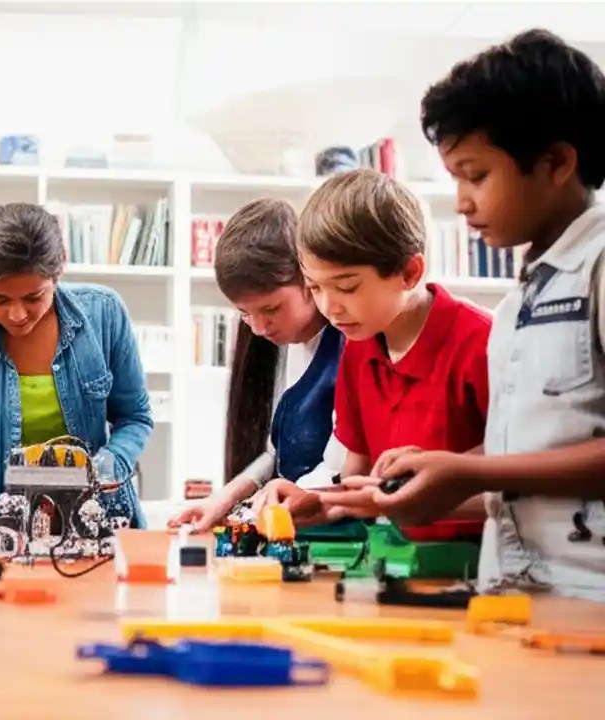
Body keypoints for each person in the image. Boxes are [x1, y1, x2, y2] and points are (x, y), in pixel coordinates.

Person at [371, 29, 605, 600]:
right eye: (455, 178)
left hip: (588, 597)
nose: (461, 201)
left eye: (476, 175)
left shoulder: (598, 267)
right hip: (516, 593)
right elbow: (527, 463)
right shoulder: (518, 301)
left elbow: (502, 471)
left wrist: (470, 472)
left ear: (555, 162)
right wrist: (435, 477)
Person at [271, 168, 492, 530]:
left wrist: (422, 501)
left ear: (410, 273)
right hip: (388, 554)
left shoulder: (481, 344)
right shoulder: (357, 349)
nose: (329, 307)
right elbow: (357, 478)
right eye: (314, 288)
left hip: (474, 558)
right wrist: (315, 500)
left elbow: (521, 479)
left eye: (347, 287)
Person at [0, 203, 153, 527]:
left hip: (99, 517)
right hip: (3, 522)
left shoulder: (104, 314)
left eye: (34, 297)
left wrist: (103, 468)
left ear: (58, 272)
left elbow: (135, 417)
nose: (17, 314)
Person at [170, 199, 344, 532]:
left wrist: (288, 496)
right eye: (245, 314)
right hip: (291, 525)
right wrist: (223, 499)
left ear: (309, 279)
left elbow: (342, 468)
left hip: (332, 530)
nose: (260, 328)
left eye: (271, 309)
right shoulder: (283, 343)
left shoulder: (348, 345)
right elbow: (276, 453)